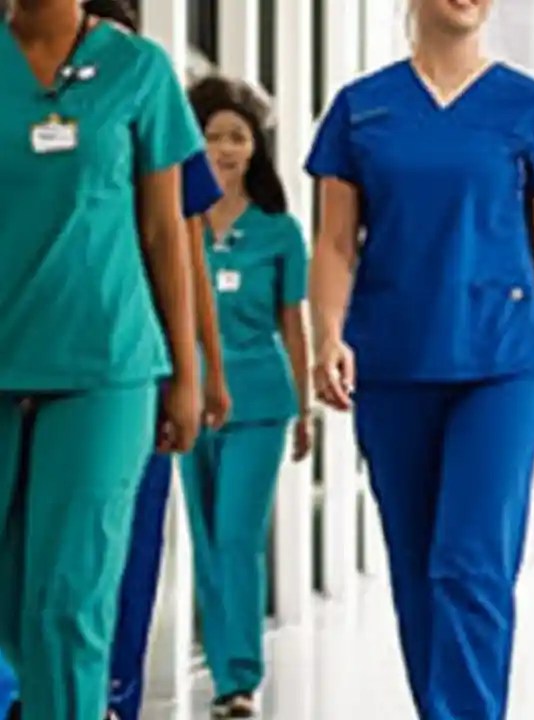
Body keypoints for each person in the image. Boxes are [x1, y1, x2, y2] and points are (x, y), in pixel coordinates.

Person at [305, 0, 534, 716]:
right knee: (416, 568)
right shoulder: (360, 109)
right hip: (394, 361)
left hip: (501, 365)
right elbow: (335, 243)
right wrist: (327, 335)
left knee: (471, 566)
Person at [0, 0, 204, 716]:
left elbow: (164, 232)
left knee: (69, 598)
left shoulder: (138, 70)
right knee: (15, 602)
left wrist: (186, 372)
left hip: (105, 365)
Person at [176, 75, 312, 720]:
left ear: (256, 147)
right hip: (186, 398)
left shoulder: (279, 231)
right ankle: (221, 660)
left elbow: (294, 323)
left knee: (236, 534)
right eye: (213, 136)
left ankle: (239, 679)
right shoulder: (174, 223)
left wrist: (306, 402)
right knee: (205, 538)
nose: (226, 149)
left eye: (239, 136)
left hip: (259, 401)